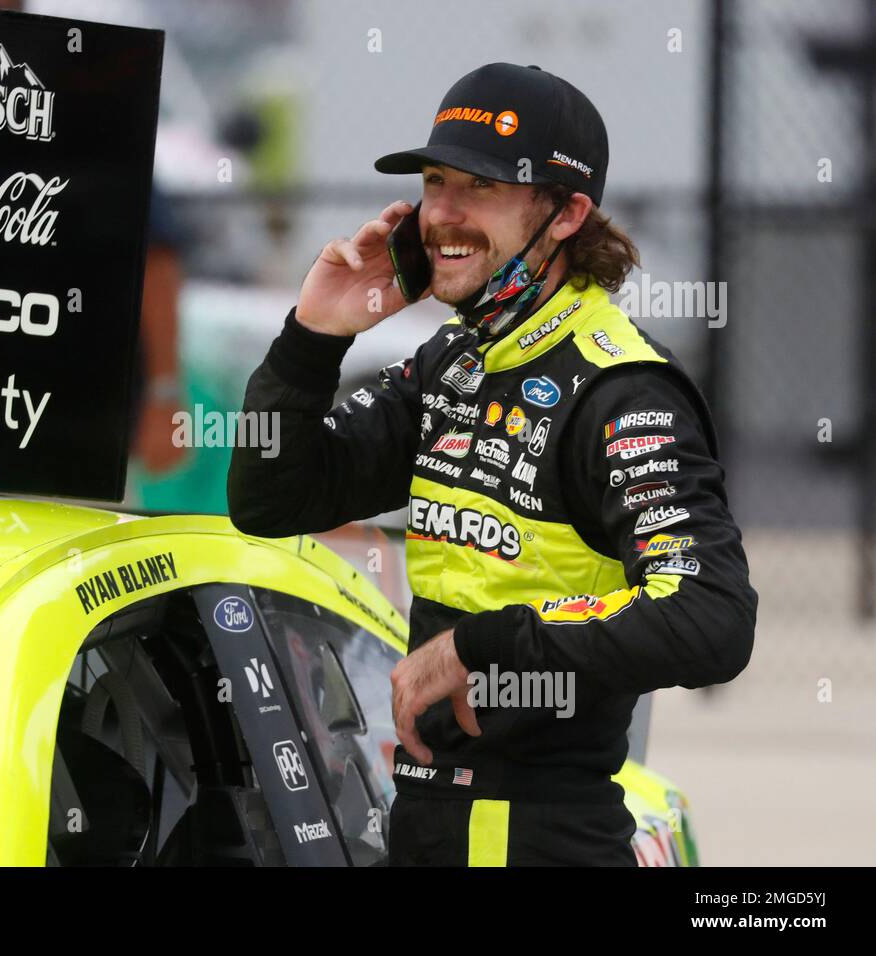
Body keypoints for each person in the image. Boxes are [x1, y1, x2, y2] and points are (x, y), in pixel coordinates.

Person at [227, 62, 756, 866]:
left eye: (480, 188)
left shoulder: (619, 390)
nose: (442, 215)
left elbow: (712, 615)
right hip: (436, 820)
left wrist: (482, 646)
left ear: (567, 212)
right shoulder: (459, 360)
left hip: (533, 834)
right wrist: (316, 335)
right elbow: (273, 495)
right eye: (436, 181)